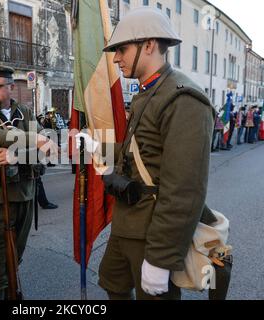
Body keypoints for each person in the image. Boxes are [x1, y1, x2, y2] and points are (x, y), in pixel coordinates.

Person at [76, 7, 216, 300]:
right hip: (127, 221)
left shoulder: (183, 99)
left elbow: (185, 190)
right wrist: (95, 145)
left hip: (152, 232)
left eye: (122, 49)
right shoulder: (147, 93)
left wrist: (161, 258)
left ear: (149, 45)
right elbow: (136, 156)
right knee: (113, 285)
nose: (116, 58)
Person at [0, 66, 57, 299]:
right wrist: (32, 140)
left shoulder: (25, 112)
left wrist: (18, 154)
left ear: (12, 87)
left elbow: (49, 152)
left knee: (15, 257)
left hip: (25, 196)